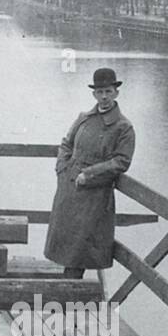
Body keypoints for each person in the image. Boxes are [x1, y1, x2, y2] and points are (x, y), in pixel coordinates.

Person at [43, 68, 136, 280]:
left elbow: (121, 161)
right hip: (69, 190)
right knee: (65, 247)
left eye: (108, 91)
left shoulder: (123, 127)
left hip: (93, 197)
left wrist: (90, 174)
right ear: (94, 94)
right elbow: (66, 143)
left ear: (116, 93)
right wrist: (62, 168)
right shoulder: (83, 118)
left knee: (80, 251)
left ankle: (68, 300)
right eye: (100, 92)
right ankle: (66, 296)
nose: (104, 97)